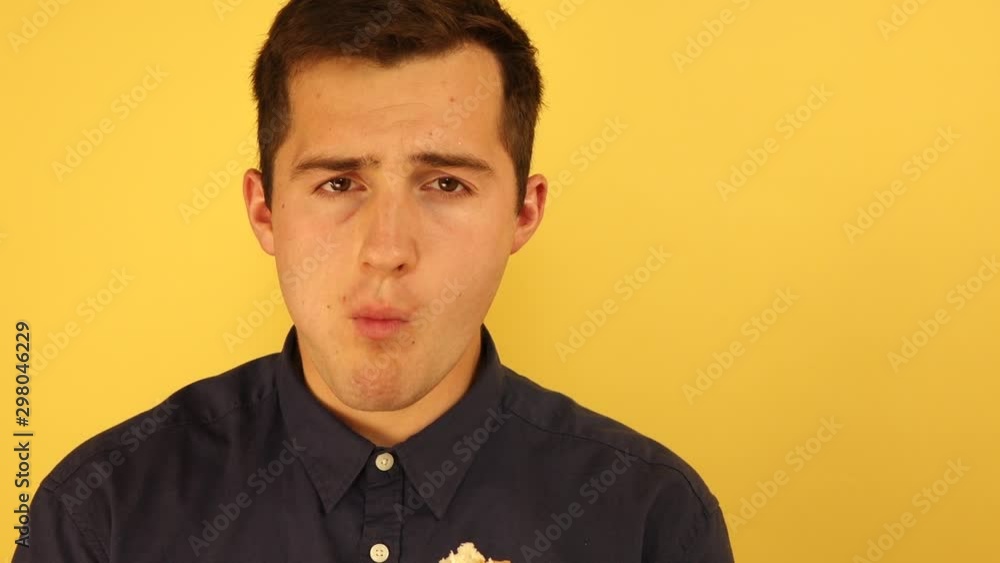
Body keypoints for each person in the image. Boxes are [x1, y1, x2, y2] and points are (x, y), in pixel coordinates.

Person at [14, 1, 734, 561]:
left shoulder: (653, 520)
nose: (386, 250)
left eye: (446, 183)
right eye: (338, 183)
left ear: (524, 212)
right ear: (265, 211)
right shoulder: (101, 512)